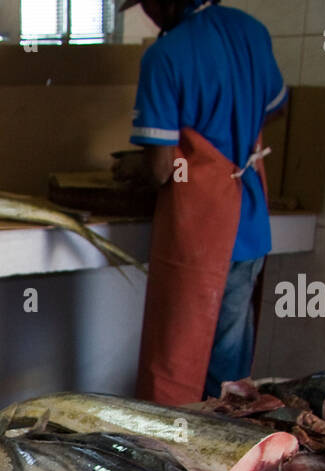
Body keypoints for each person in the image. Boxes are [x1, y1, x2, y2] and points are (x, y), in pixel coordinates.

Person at [119, 0, 287, 405]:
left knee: (179, 359)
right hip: (248, 220)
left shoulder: (166, 54)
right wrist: (228, 137)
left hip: (199, 231)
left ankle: (180, 459)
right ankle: (231, 458)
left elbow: (160, 169)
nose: (149, 14)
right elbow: (277, 107)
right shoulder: (252, 30)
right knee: (230, 364)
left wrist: (132, 169)